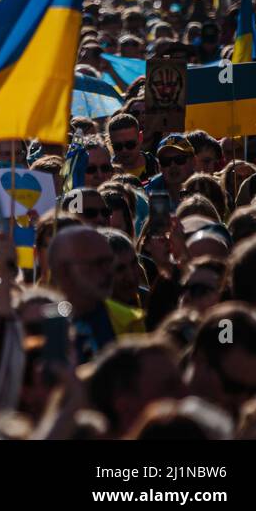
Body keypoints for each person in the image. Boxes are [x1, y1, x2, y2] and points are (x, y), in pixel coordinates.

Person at [48, 226, 144, 361]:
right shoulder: (44, 326)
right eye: (98, 263)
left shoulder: (130, 320)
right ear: (64, 270)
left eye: (109, 262)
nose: (109, 271)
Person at [145, 133, 197, 204]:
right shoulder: (148, 193)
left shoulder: (206, 189)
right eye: (165, 161)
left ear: (193, 161)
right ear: (159, 166)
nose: (173, 165)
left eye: (179, 159)